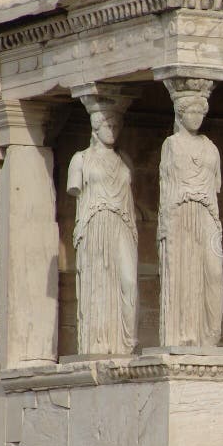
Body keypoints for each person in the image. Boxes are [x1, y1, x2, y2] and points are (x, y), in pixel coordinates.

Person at [67, 106, 138, 355]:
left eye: (117, 126)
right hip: (95, 225)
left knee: (128, 282)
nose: (113, 131)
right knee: (98, 281)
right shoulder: (81, 159)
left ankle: (126, 343)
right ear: (95, 128)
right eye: (108, 125)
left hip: (122, 224)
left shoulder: (124, 160)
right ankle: (98, 344)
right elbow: (75, 188)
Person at [158, 82, 223, 347]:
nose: (196, 117)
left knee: (214, 273)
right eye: (191, 112)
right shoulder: (171, 145)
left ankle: (211, 336)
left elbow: (216, 185)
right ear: (180, 114)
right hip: (180, 212)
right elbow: (166, 185)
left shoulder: (211, 147)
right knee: (182, 270)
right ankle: (184, 334)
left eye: (200, 113)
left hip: (207, 212)